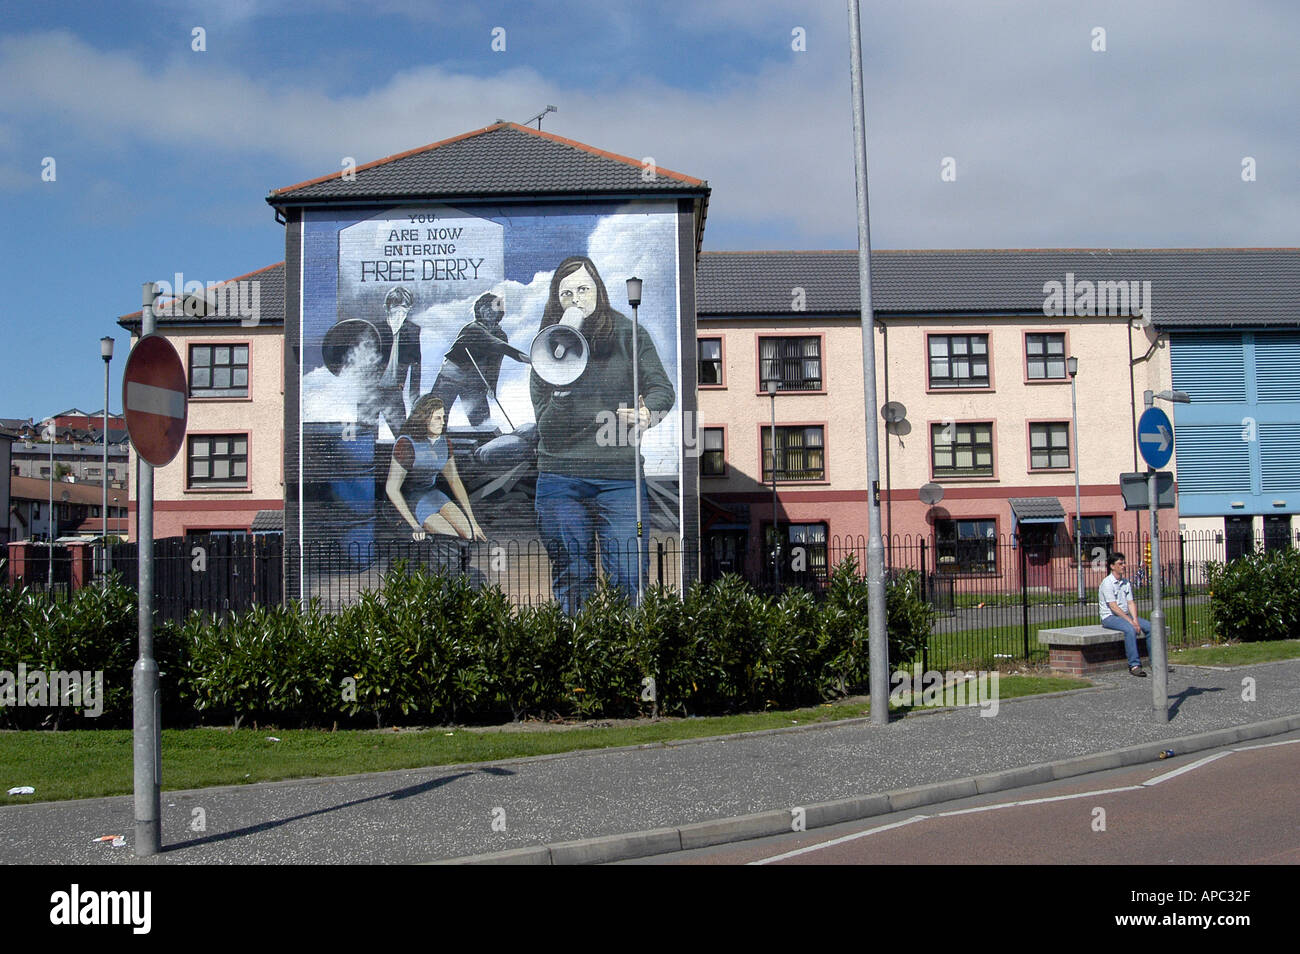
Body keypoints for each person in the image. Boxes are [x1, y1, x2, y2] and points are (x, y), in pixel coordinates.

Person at [530, 255, 674, 612]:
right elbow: (547, 432)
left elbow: (661, 390)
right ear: (556, 301)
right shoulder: (546, 348)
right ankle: (579, 656)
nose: (575, 299)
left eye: (583, 289)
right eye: (566, 294)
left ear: (598, 292)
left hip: (619, 476)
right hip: (560, 477)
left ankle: (629, 658)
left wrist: (647, 414)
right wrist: (561, 384)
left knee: (629, 574)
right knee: (574, 577)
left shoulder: (629, 333)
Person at [385, 394, 485, 542]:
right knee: (450, 536)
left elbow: (454, 480)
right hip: (411, 499)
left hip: (433, 494)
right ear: (424, 418)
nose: (443, 422)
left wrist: (473, 522)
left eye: (443, 417)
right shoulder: (406, 444)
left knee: (469, 534)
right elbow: (391, 489)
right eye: (438, 418)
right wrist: (415, 525)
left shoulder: (444, 443)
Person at [429, 292, 530, 428]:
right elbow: (497, 345)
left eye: (493, 309)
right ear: (479, 309)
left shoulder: (501, 335)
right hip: (450, 377)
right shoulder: (473, 328)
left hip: (474, 382)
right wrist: (525, 358)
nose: (489, 312)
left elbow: (495, 364)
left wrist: (491, 386)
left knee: (481, 422)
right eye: (485, 307)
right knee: (437, 416)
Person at [372, 286, 422, 434]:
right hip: (370, 392)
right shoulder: (375, 330)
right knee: (367, 439)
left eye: (405, 306)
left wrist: (415, 400)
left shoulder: (413, 331)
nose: (400, 310)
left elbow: (416, 366)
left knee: (402, 438)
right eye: (395, 306)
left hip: (393, 393)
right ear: (387, 308)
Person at [1099, 552, 1150, 676]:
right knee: (1129, 629)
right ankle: (1134, 665)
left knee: (1150, 627)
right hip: (1110, 617)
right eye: (1120, 564)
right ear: (1112, 566)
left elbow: (1131, 603)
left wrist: (1136, 620)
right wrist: (1131, 622)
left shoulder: (1126, 582)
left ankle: (1156, 661)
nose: (1124, 566)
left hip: (1125, 615)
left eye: (1124, 563)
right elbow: (1113, 607)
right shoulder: (1107, 583)